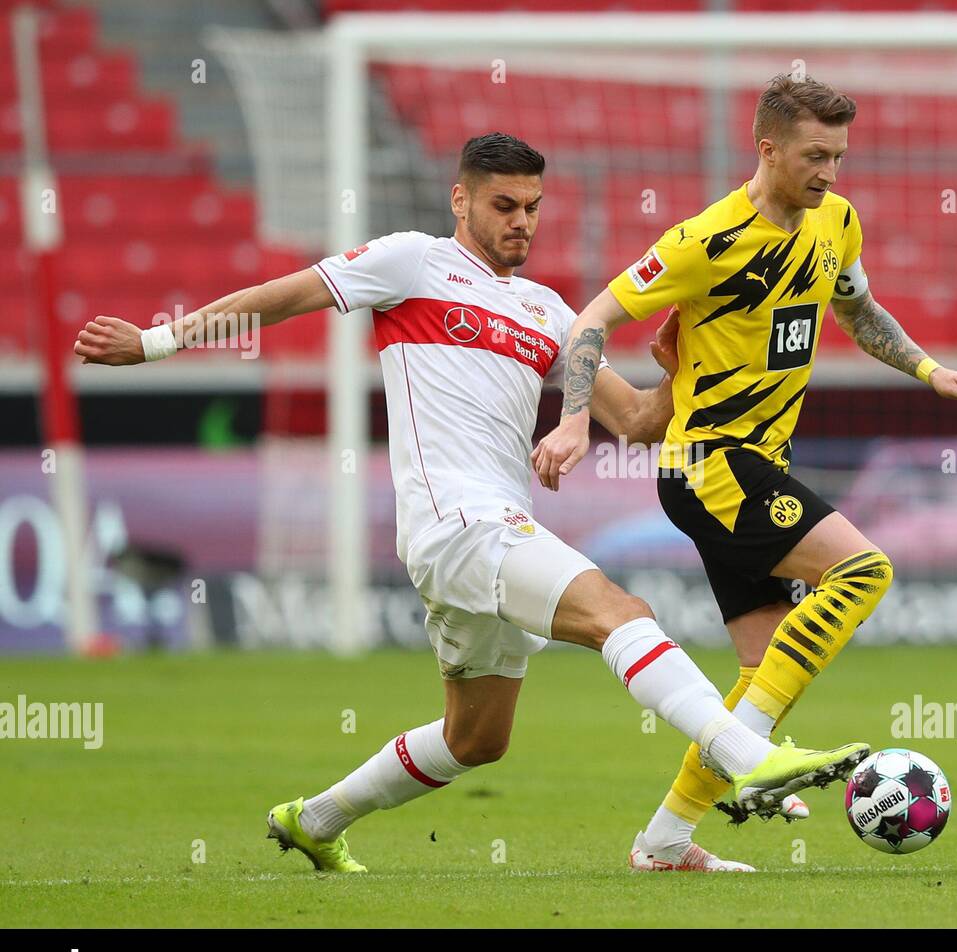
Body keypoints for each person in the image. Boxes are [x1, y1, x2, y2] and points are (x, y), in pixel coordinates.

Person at [73, 132, 872, 873]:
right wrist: (155, 342)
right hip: (454, 521)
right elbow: (283, 299)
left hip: (490, 531)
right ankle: (745, 756)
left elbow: (637, 420)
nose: (521, 222)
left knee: (476, 737)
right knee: (616, 611)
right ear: (461, 200)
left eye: (532, 208)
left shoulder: (550, 311)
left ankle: (313, 821)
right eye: (503, 206)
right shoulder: (411, 262)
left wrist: (690, 358)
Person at [532, 77, 957, 871]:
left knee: (764, 672)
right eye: (816, 156)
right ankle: (752, 761)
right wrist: (574, 417)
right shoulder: (705, 241)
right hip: (709, 464)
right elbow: (591, 320)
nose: (831, 173)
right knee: (862, 570)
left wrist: (927, 368)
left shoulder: (836, 222)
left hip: (754, 467)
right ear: (767, 149)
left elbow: (858, 311)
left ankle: (667, 840)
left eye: (840, 157)